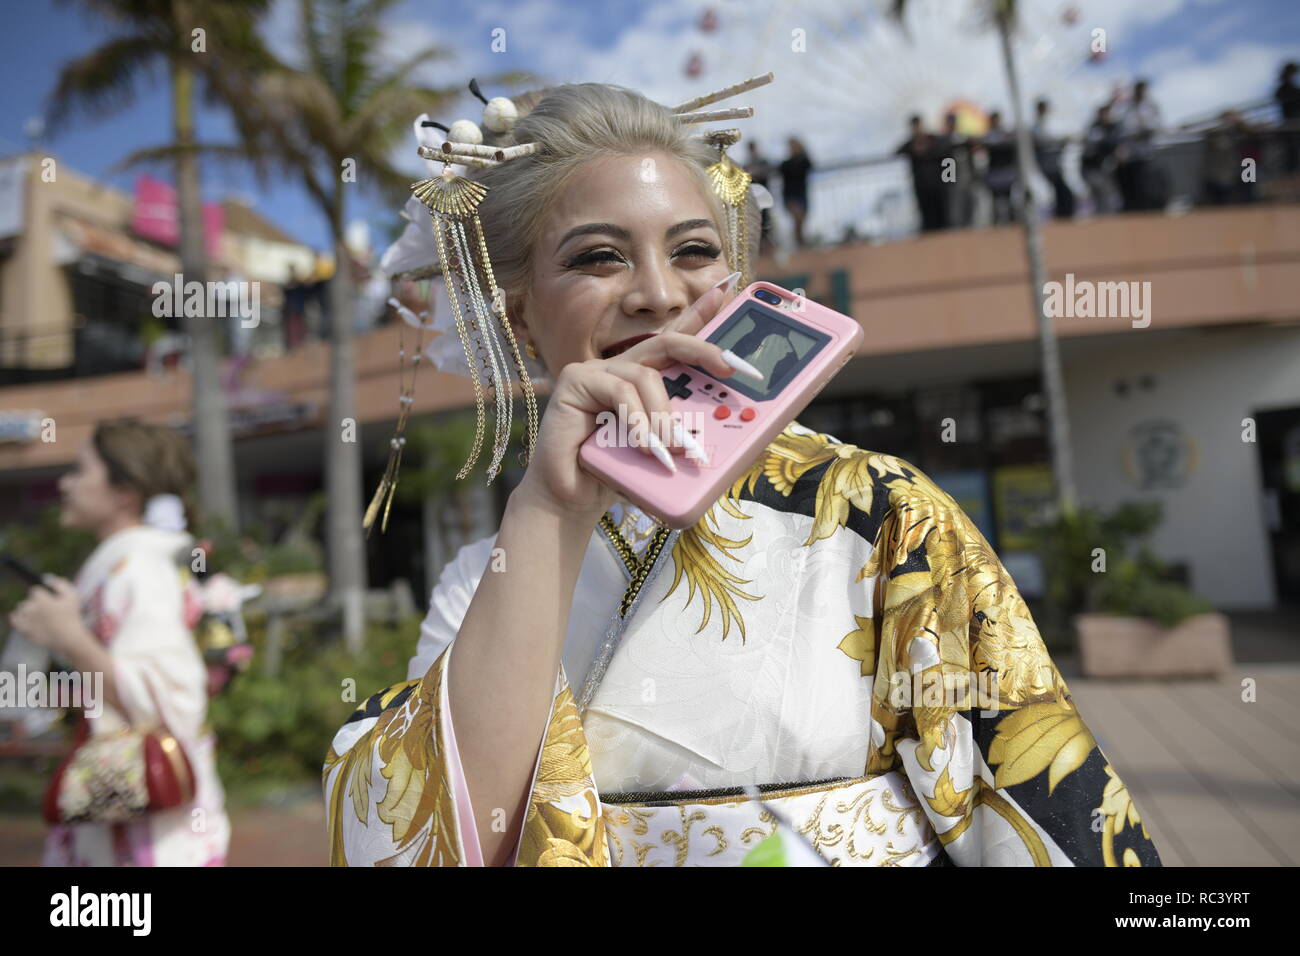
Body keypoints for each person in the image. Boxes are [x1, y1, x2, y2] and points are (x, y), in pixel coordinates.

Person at [323, 79, 1163, 868]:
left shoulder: (880, 513)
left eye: (693, 250)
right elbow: (431, 842)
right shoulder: (486, 576)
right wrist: (549, 511)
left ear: (737, 286)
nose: (657, 294)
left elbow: (1036, 816)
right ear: (521, 321)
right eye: (597, 259)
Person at [8, 419, 230, 866]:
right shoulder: (139, 563)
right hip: (140, 818)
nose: (65, 484)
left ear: (125, 490)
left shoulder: (138, 570)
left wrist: (67, 636)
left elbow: (173, 703)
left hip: (148, 837)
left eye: (81, 471)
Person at [896, 114, 947, 232]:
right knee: (926, 216)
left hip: (937, 184)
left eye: (918, 126)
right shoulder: (910, 144)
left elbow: (947, 156)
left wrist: (949, 179)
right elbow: (896, 153)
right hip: (920, 185)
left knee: (941, 215)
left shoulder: (933, 140)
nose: (917, 129)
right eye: (914, 127)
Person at [1117, 79, 1163, 211]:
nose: (1140, 92)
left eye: (1142, 89)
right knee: (1132, 183)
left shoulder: (1151, 106)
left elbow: (1156, 124)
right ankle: (1136, 211)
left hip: (1146, 151)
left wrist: (1144, 130)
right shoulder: (1127, 108)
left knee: (1146, 182)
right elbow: (1124, 129)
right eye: (1138, 89)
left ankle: (1148, 209)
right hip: (1130, 153)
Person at [1033, 98, 1075, 219]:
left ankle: (1063, 214)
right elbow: (1043, 141)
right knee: (1061, 188)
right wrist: (1062, 140)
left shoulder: (1051, 123)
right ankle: (1063, 214)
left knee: (1060, 189)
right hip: (1047, 161)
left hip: (1055, 160)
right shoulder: (1037, 126)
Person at [1081, 103, 1123, 215]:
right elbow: (1092, 146)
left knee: (1109, 193)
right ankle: (1101, 217)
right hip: (1093, 167)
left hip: (1108, 167)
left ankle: (1107, 215)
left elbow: (1116, 144)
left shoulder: (1114, 128)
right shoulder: (1094, 129)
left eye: (1107, 114)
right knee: (1100, 192)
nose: (1105, 116)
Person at [981, 111, 1018, 224]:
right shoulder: (988, 135)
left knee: (1008, 197)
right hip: (994, 171)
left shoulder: (1005, 134)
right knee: (996, 199)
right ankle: (997, 222)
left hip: (1006, 170)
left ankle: (1011, 221)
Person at [941, 112, 974, 228]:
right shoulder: (943, 139)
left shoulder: (962, 137)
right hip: (952, 175)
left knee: (968, 200)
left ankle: (968, 224)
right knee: (954, 203)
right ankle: (956, 227)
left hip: (965, 173)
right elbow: (945, 160)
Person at [778, 137, 813, 247]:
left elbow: (809, 165)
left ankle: (800, 242)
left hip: (801, 195)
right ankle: (800, 242)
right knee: (797, 217)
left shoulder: (803, 161)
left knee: (800, 221)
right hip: (790, 195)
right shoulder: (786, 164)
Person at [744, 140, 775, 256]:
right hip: (753, 200)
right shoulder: (747, 164)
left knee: (766, 222)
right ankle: (761, 249)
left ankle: (768, 249)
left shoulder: (763, 162)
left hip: (763, 197)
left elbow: (768, 173)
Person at [1275, 61, 1300, 175]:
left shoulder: (1287, 86)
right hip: (1290, 121)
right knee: (1292, 149)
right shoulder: (1285, 87)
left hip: (1292, 120)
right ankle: (1291, 172)